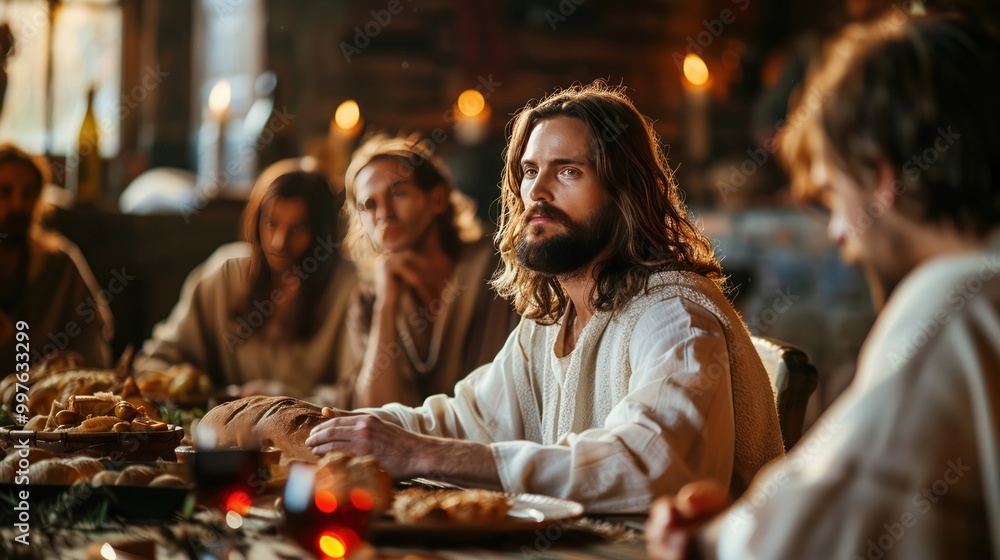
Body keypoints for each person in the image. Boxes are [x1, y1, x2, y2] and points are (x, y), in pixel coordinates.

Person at [305, 82, 784, 512]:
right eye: (530, 170)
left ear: (624, 190)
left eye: (568, 171)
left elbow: (651, 463)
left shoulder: (673, 314)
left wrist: (421, 454)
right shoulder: (551, 321)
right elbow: (463, 420)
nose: (537, 190)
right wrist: (337, 429)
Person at [646, 12, 1000, 559]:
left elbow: (801, 541)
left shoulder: (959, 302)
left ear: (881, 182)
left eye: (834, 195)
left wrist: (707, 539)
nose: (840, 235)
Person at [134, 163, 357, 404]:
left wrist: (278, 399)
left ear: (321, 235)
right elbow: (155, 361)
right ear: (256, 221)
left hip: (311, 435)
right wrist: (191, 389)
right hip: (218, 432)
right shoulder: (225, 272)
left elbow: (357, 396)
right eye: (271, 224)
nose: (279, 242)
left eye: (297, 229)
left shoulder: (348, 286)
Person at [340, 135, 518, 408]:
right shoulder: (368, 301)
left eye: (397, 193)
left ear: (436, 199)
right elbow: (376, 411)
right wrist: (386, 307)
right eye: (370, 205)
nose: (384, 213)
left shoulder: (501, 272)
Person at [0, 144, 112, 369]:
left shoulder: (59, 263)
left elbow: (94, 335)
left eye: (28, 193)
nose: (18, 204)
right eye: (5, 192)